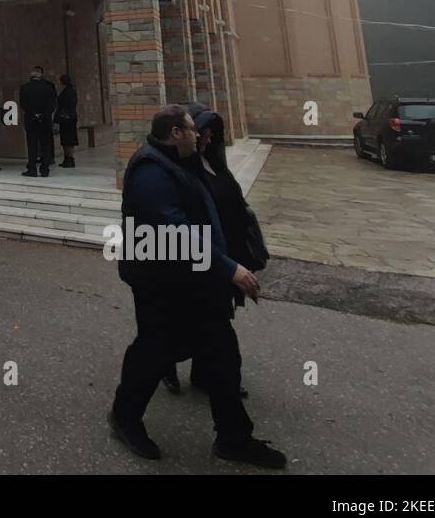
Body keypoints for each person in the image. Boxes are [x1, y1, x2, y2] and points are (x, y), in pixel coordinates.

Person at [108, 104, 284, 468]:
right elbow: (176, 232)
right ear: (175, 133)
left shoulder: (181, 162)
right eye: (192, 128)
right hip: (162, 283)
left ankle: (234, 438)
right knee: (152, 353)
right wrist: (229, 269)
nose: (199, 135)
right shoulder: (151, 173)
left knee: (222, 354)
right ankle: (124, 419)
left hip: (194, 282)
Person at [163, 102, 267, 398]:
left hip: (223, 254)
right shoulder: (178, 170)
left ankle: (207, 375)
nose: (206, 139)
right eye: (201, 132)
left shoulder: (212, 162)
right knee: (187, 320)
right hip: (199, 259)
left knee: (213, 320)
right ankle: (162, 370)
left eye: (210, 134)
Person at [19, 65, 57, 177]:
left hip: (31, 120)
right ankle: (45, 169)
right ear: (41, 76)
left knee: (32, 144)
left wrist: (33, 114)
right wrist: (43, 115)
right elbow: (52, 105)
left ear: (31, 76)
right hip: (45, 120)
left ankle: (32, 168)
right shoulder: (48, 87)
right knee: (45, 145)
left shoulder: (24, 87)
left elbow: (23, 104)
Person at [56, 74, 79, 168]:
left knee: (67, 139)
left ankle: (68, 159)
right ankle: (69, 158)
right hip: (71, 118)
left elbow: (64, 105)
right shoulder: (72, 91)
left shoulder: (66, 92)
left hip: (66, 119)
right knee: (69, 139)